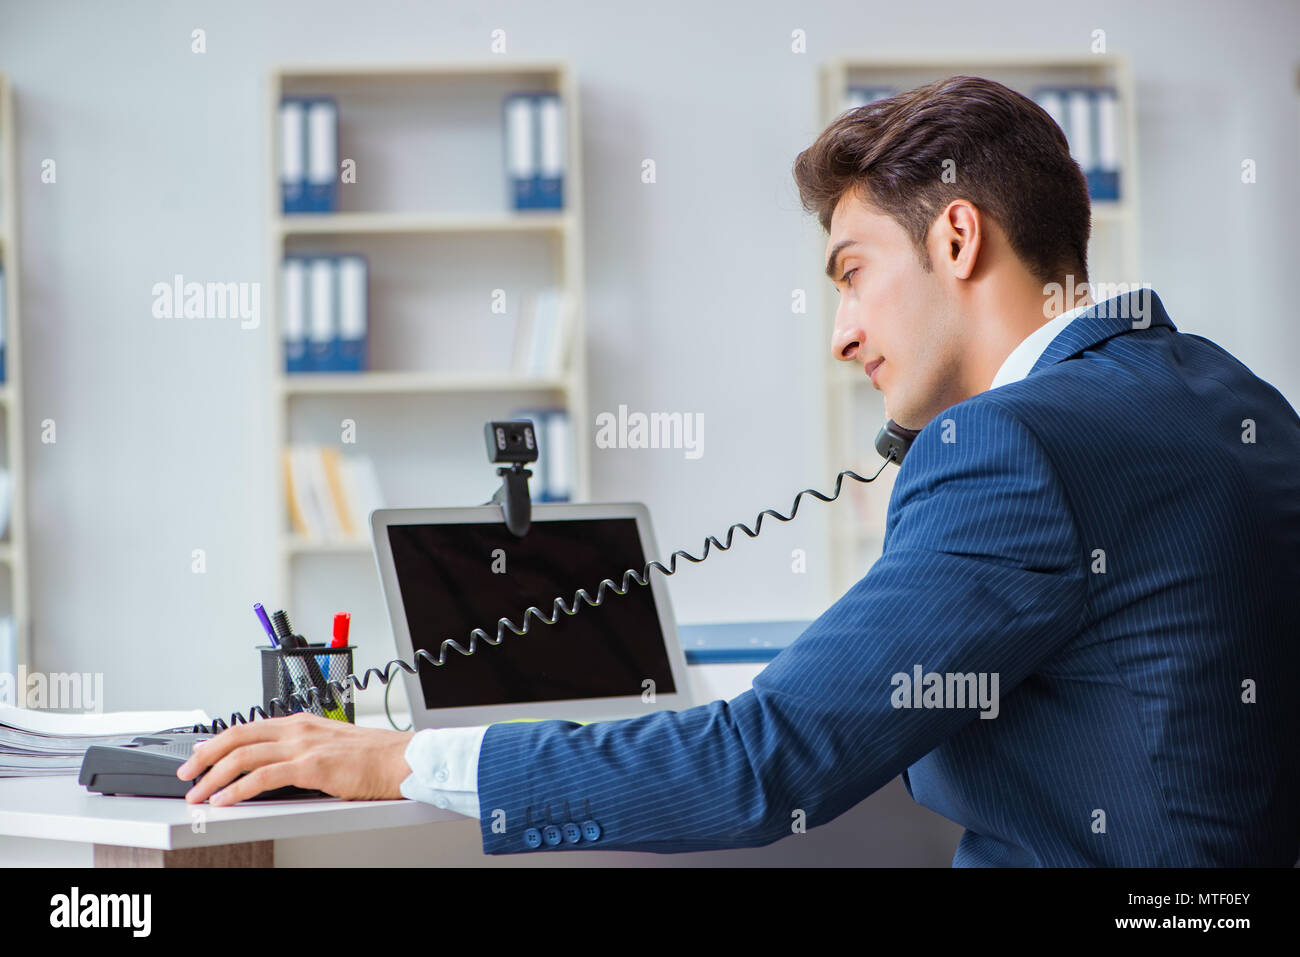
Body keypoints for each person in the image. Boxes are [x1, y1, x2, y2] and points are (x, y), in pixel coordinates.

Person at [178, 75, 1300, 866]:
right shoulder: (1239, 401)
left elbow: (757, 769)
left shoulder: (1004, 445)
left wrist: (388, 760)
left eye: (852, 274)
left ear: (957, 240)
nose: (842, 334)